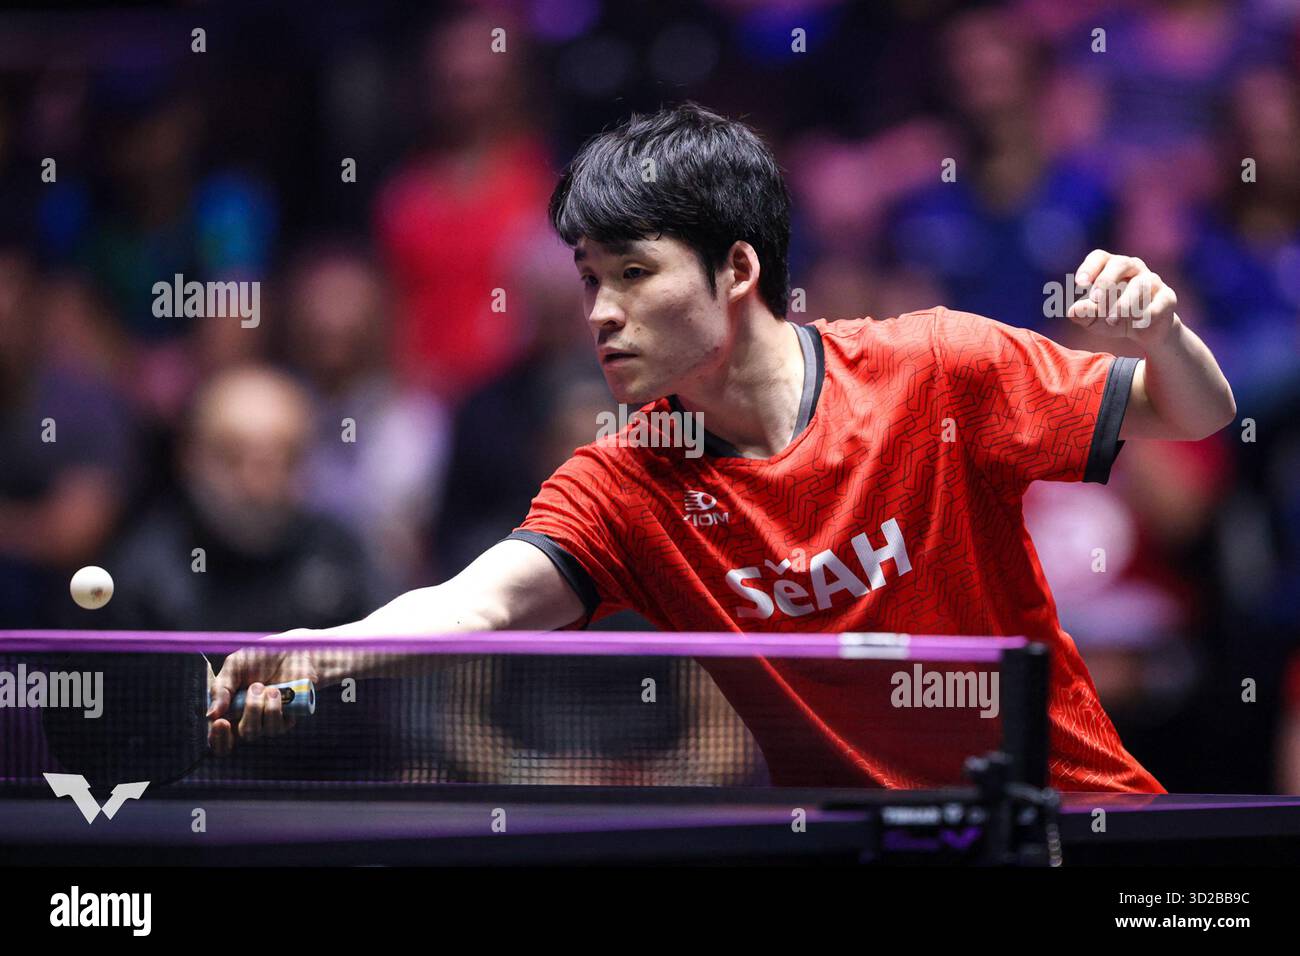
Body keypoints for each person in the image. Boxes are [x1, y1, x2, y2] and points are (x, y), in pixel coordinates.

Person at [210, 104, 1236, 792]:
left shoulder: (936, 369)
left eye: (633, 273)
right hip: (857, 855)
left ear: (735, 268)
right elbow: (475, 601)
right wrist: (326, 646)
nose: (600, 314)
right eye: (587, 280)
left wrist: (1162, 334)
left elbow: (1191, 411)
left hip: (1067, 826)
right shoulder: (625, 481)